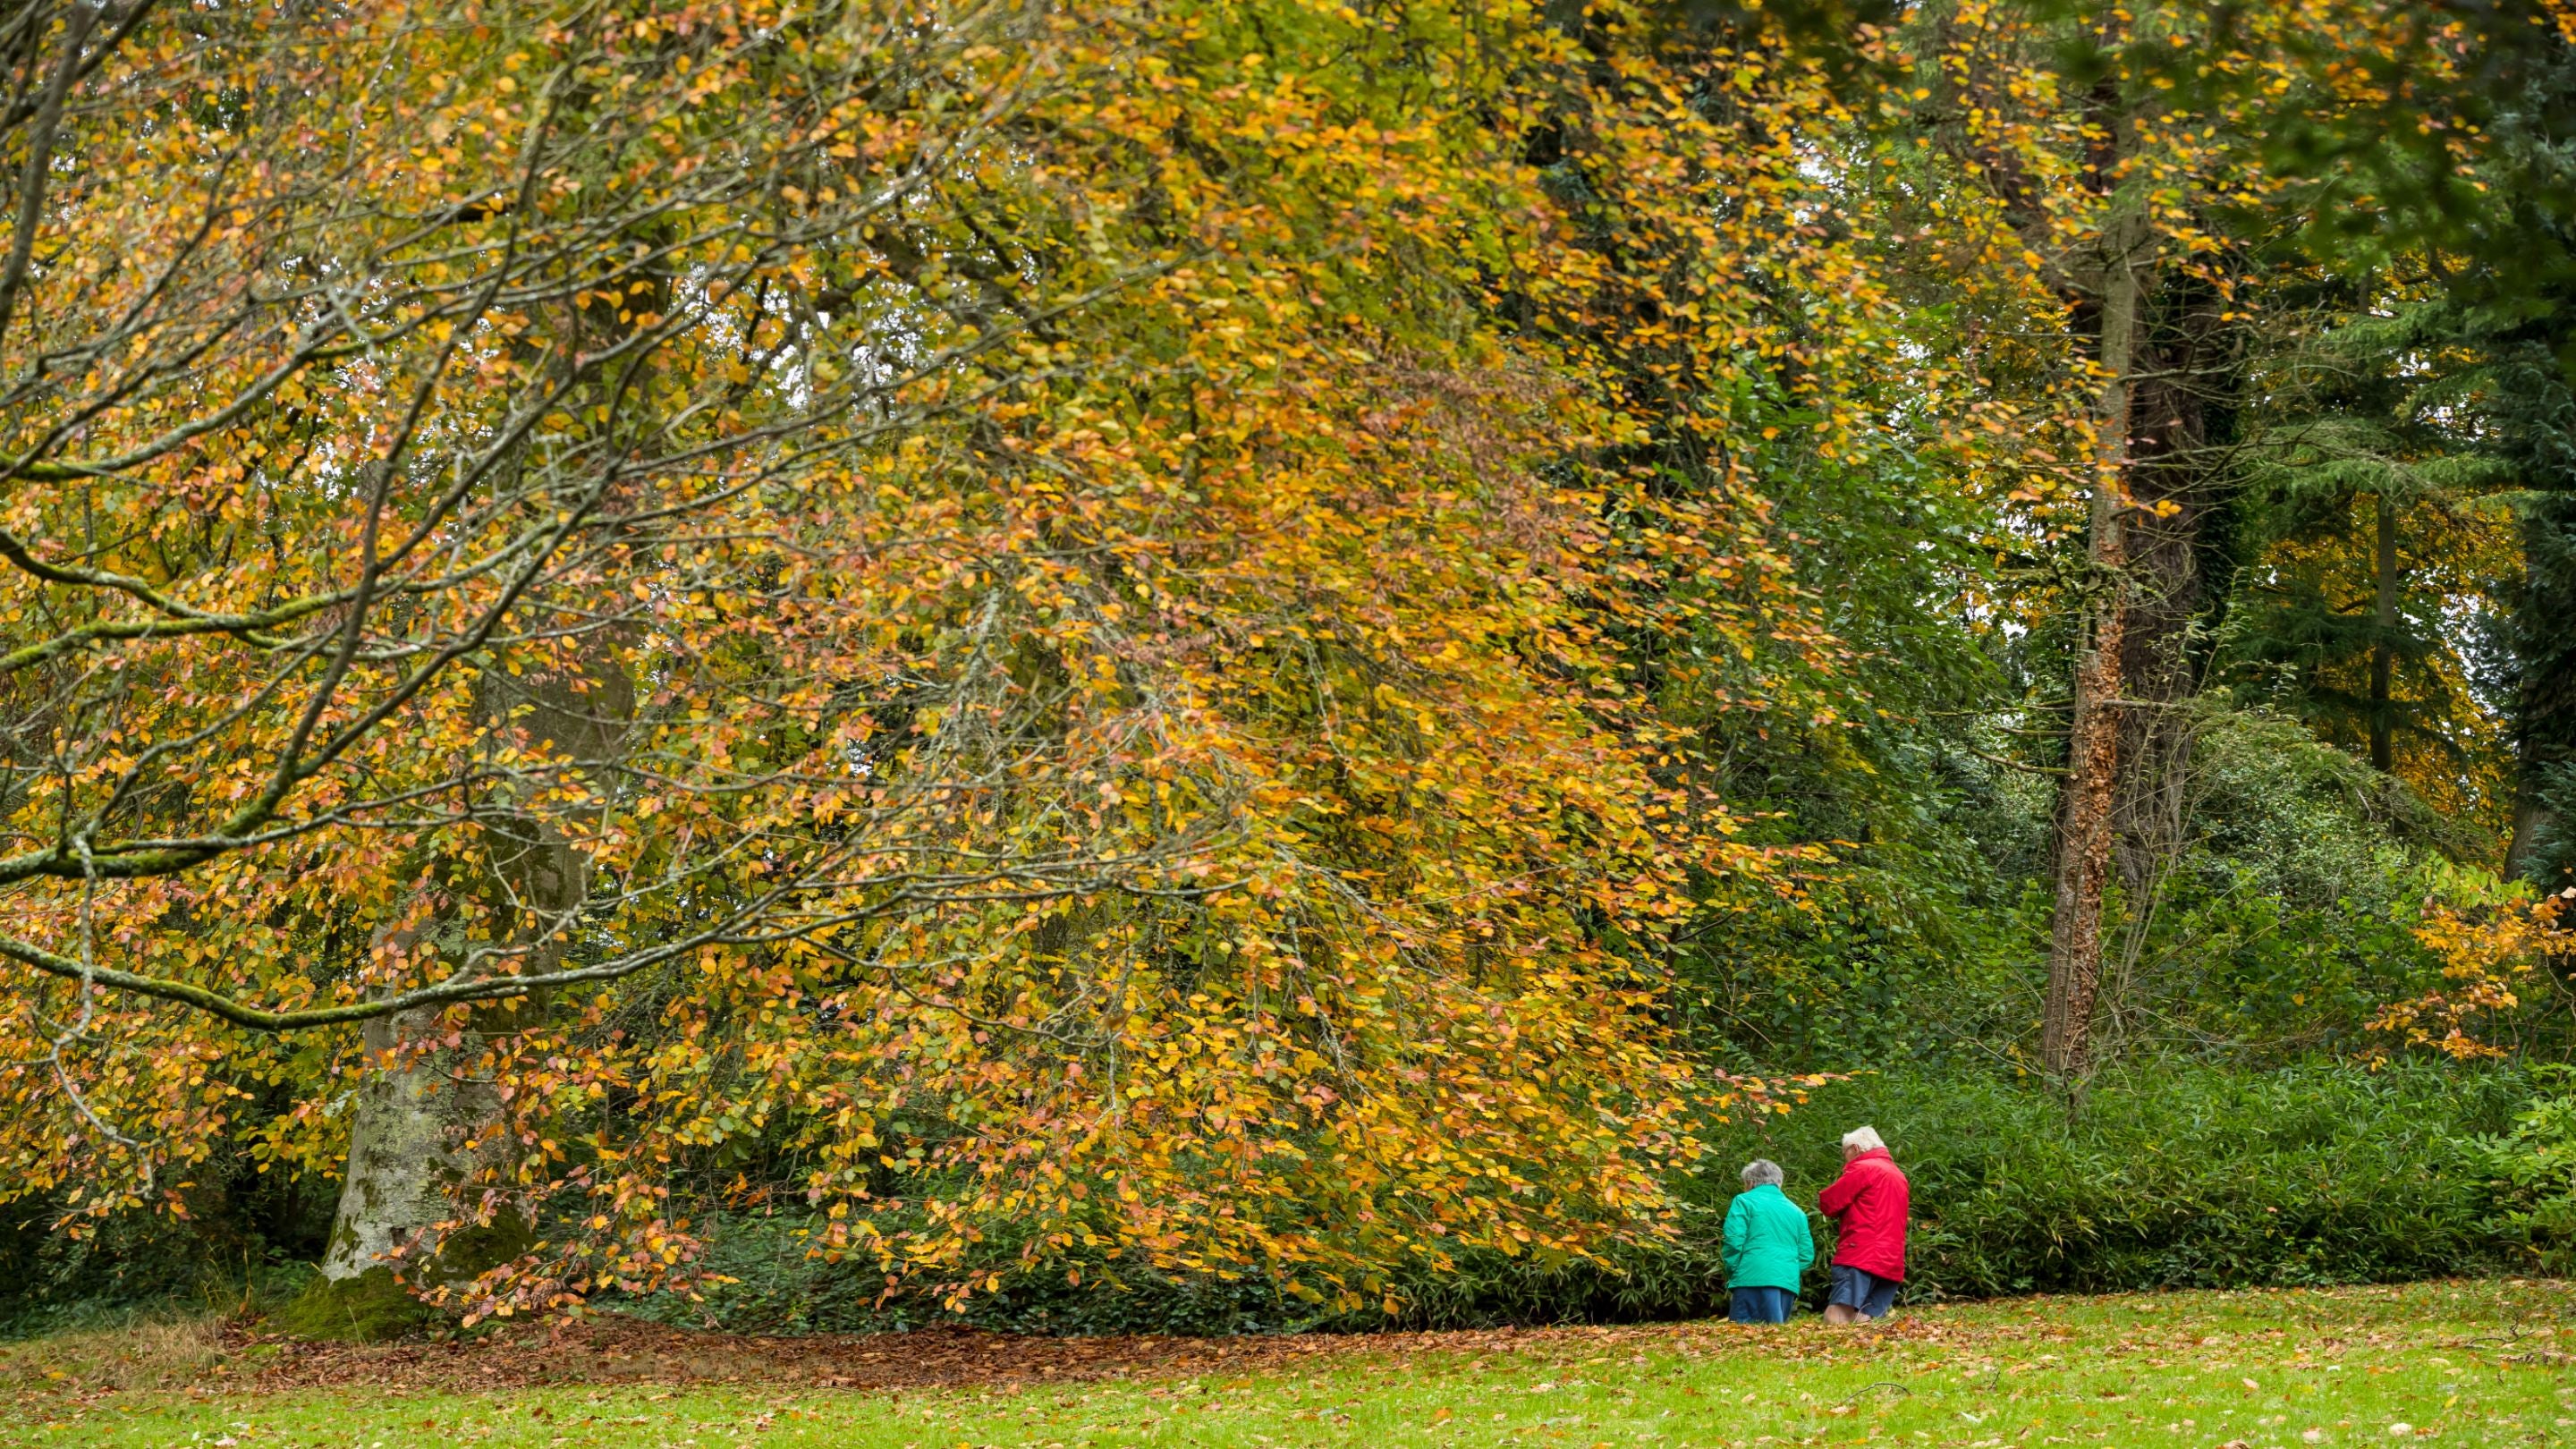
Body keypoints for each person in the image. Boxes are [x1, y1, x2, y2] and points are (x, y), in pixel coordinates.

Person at [1816, 1125, 1909, 1325]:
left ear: (1855, 1148)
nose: (1845, 1158)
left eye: (1845, 1153)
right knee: (1864, 1315)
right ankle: (1858, 1355)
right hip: (1892, 1257)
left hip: (1861, 1252)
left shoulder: (1864, 1169)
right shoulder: (1898, 1174)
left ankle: (1829, 1353)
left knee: (1839, 1311)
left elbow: (1829, 1204)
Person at [1721, 1158, 1813, 1324]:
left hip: (1750, 1276)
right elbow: (1806, 1255)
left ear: (1749, 1182)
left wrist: (1734, 1269)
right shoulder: (1797, 1212)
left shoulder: (1744, 1201)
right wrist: (1784, 1270)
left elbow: (1734, 1240)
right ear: (1779, 1182)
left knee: (1742, 1341)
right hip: (1786, 1282)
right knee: (1774, 1340)